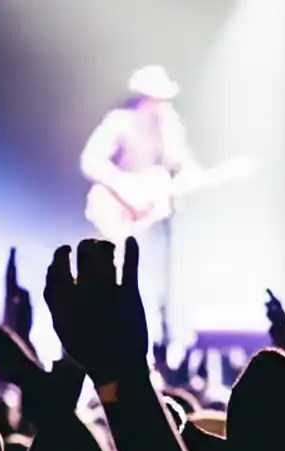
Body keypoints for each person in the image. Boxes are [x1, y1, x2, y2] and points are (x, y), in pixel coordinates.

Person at [80, 65, 200, 343]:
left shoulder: (168, 126)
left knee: (150, 275)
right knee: (115, 272)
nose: (159, 105)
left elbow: (180, 165)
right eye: (155, 98)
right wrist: (124, 189)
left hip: (151, 220)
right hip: (117, 212)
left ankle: (159, 337)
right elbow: (90, 161)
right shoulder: (118, 122)